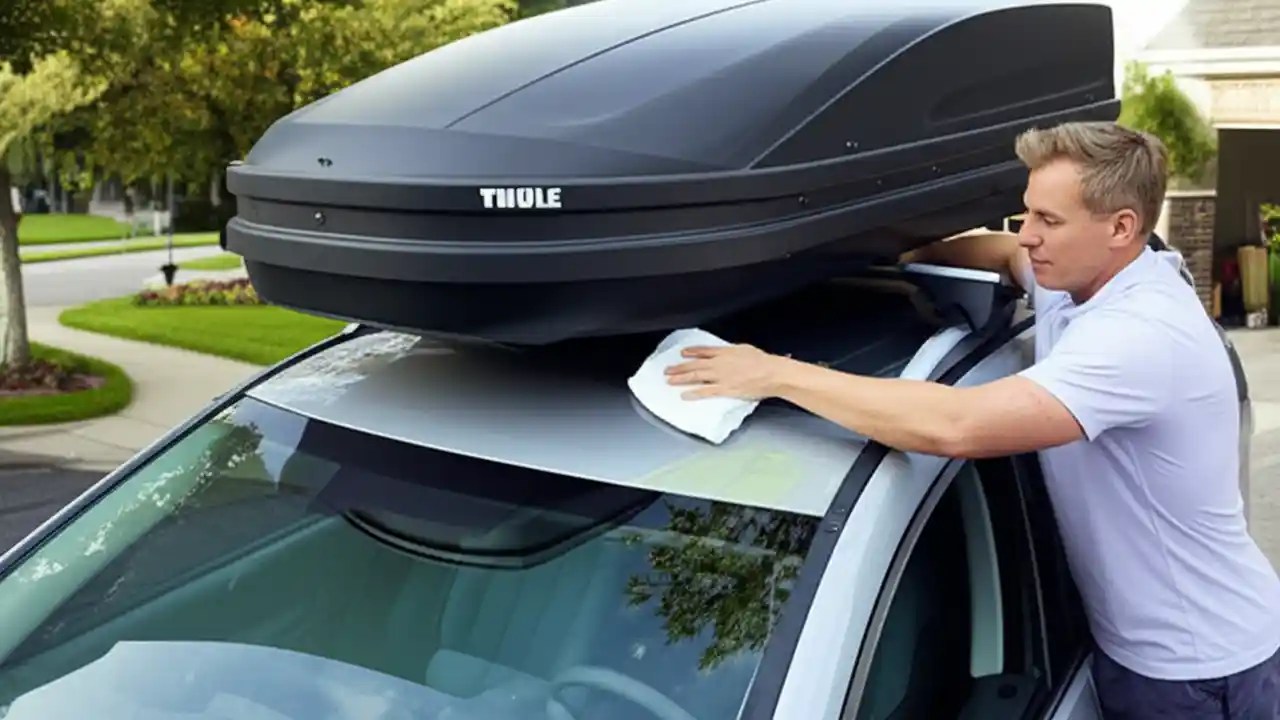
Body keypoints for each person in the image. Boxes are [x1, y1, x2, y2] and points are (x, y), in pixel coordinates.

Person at [665, 121, 1280, 719]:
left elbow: (954, 425)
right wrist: (911, 252)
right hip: (1141, 649)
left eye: (1049, 220)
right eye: (1027, 212)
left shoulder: (1142, 338)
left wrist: (774, 374)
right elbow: (1002, 253)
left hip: (1199, 673)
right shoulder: (1080, 278)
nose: (1028, 235)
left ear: (1122, 227)